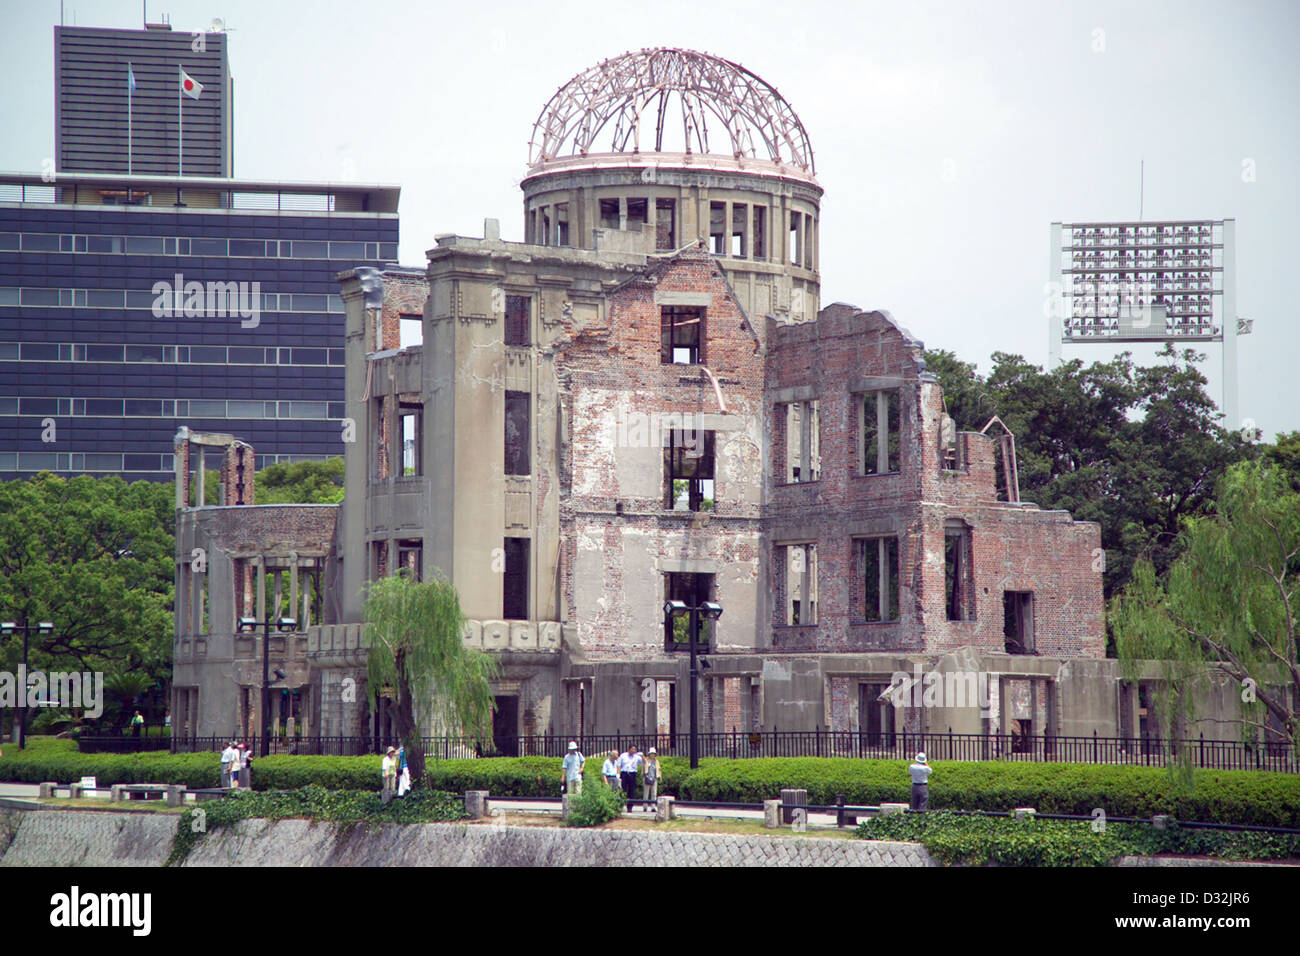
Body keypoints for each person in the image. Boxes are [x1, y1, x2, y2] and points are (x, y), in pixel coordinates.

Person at [617, 745, 643, 812]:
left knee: (631, 791)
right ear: (629, 749)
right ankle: (621, 805)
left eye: (634, 749)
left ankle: (630, 807)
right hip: (624, 773)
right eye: (632, 749)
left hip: (632, 774)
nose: (633, 751)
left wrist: (642, 756)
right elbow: (618, 765)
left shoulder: (637, 757)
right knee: (623, 790)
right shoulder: (623, 755)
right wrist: (618, 774)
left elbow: (644, 763)